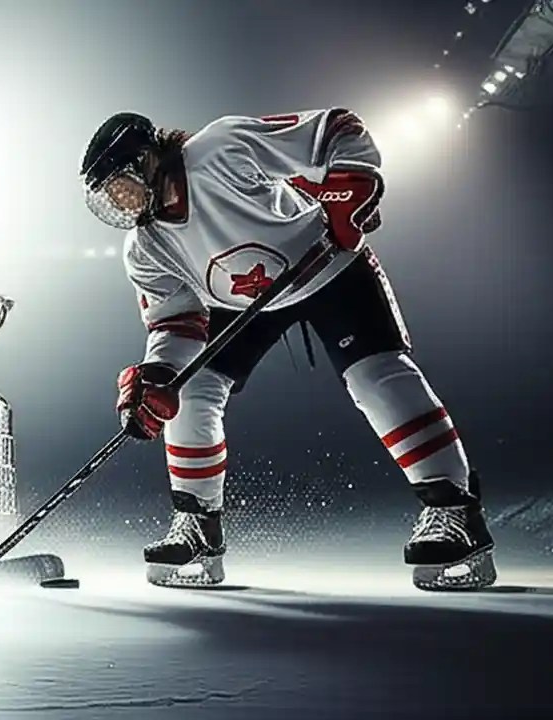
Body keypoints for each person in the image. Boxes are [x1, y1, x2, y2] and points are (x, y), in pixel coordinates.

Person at [79, 109, 495, 591]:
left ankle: (455, 511)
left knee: (377, 377)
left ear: (147, 158)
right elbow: (175, 323)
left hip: (326, 266)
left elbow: (337, 129)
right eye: (109, 194)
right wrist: (157, 376)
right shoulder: (145, 248)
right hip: (238, 303)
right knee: (190, 395)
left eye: (122, 182)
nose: (120, 199)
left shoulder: (220, 148)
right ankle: (198, 526)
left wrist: (351, 188)